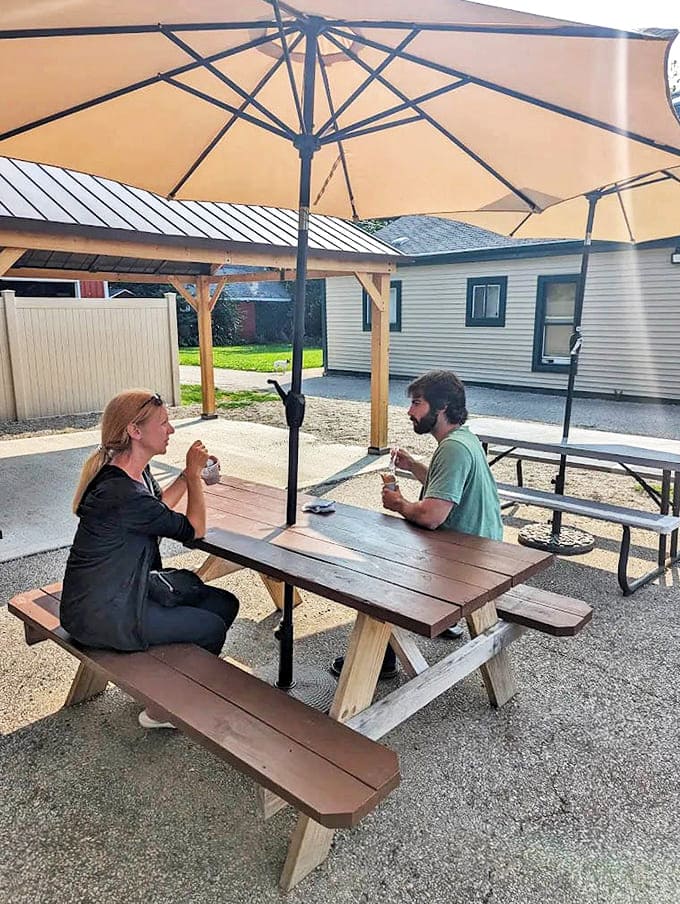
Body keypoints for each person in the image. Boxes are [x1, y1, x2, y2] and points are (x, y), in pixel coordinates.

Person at [61, 389, 239, 729]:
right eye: (164, 423)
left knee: (224, 603)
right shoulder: (123, 493)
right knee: (211, 627)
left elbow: (158, 506)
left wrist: (190, 477)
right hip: (102, 614)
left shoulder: (129, 475)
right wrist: (192, 472)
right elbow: (195, 530)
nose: (171, 430)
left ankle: (175, 678)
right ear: (135, 431)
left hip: (116, 594)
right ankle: (164, 709)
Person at [331, 370, 502, 680]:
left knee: (380, 570)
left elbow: (431, 515)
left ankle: (374, 660)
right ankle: (429, 629)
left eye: (417, 404)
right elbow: (448, 488)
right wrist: (413, 467)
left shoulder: (453, 449)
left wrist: (398, 504)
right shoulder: (464, 439)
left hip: (467, 566)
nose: (410, 411)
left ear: (443, 407)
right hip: (480, 551)